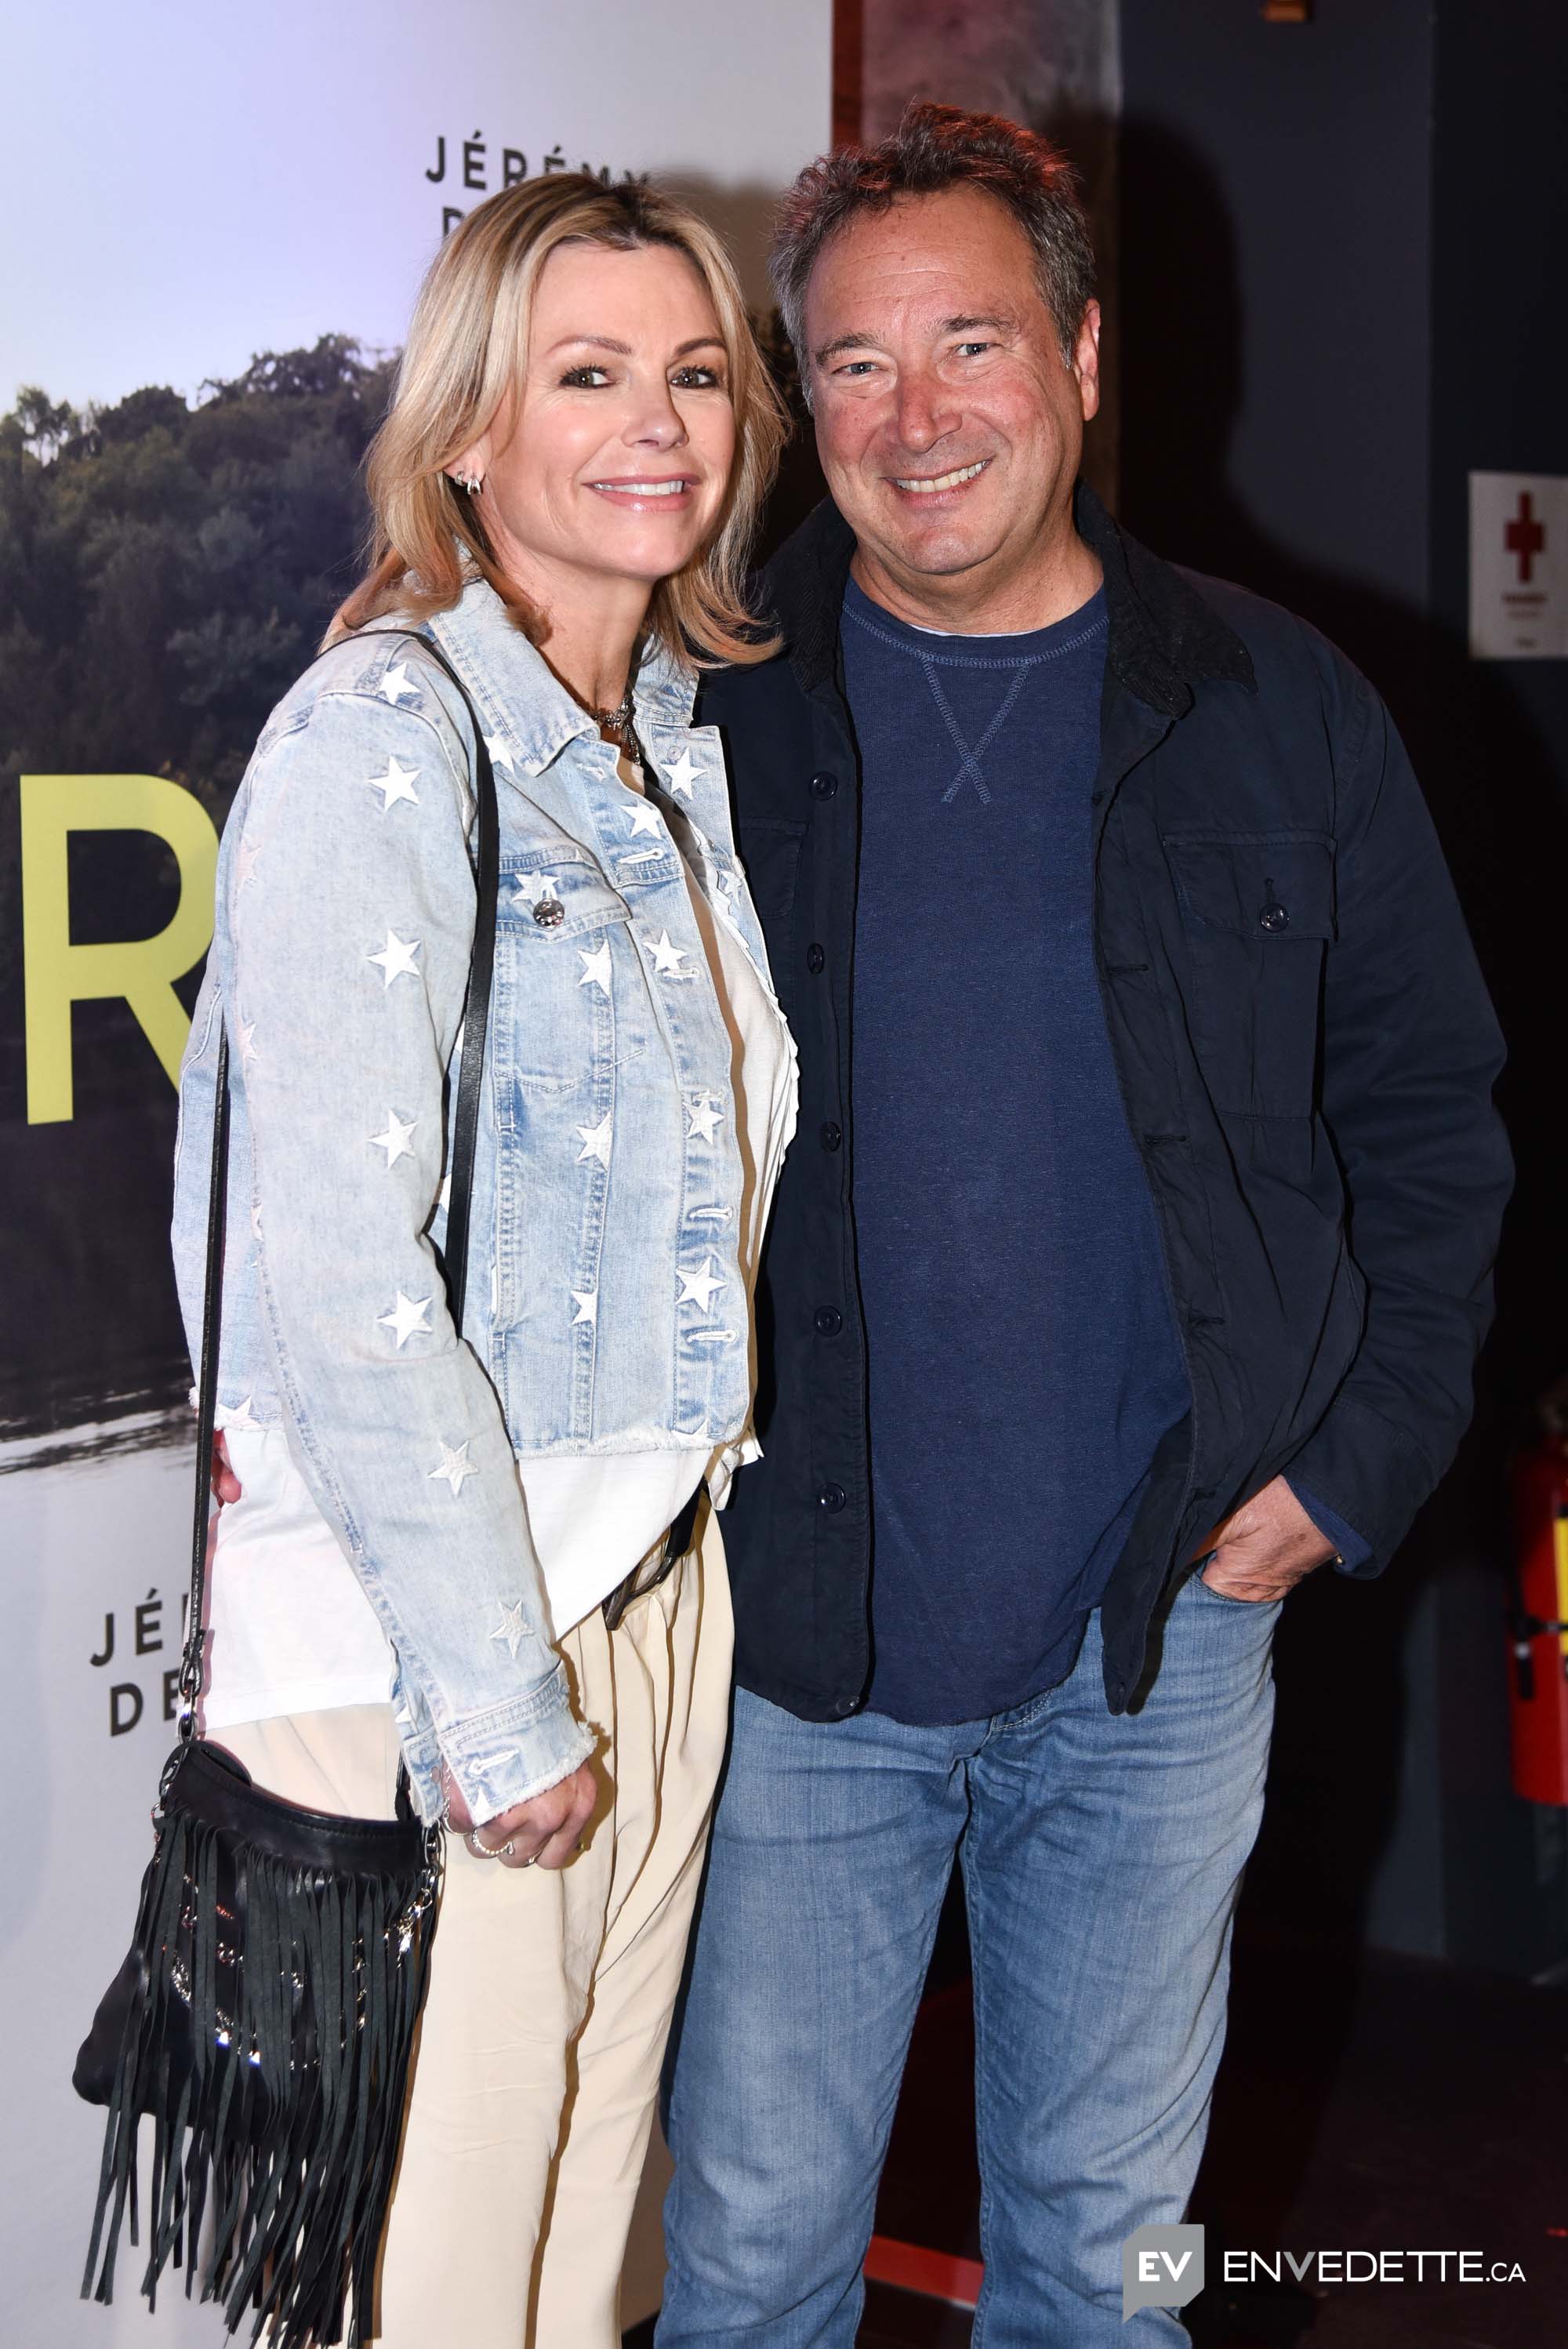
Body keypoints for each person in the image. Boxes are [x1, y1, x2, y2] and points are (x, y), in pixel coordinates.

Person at [656, 103, 1512, 2345]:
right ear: (797, 398)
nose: (915, 417)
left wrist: (1349, 1468)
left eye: (970, 342)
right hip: (794, 1657)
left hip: (1157, 1644)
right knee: (746, 2275)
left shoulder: (1281, 707)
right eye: (851, 364)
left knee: (1103, 2276)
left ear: (1088, 353)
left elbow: (1435, 1120)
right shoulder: (706, 721)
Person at [170, 172, 795, 2347]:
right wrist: (498, 1695)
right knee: (439, 2296)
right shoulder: (385, 739)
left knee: (577, 2280)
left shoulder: (660, 760)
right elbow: (336, 1271)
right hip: (469, 1642)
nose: (662, 424)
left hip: (643, 1592)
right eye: (589, 373)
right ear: (466, 431)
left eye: (698, 372)